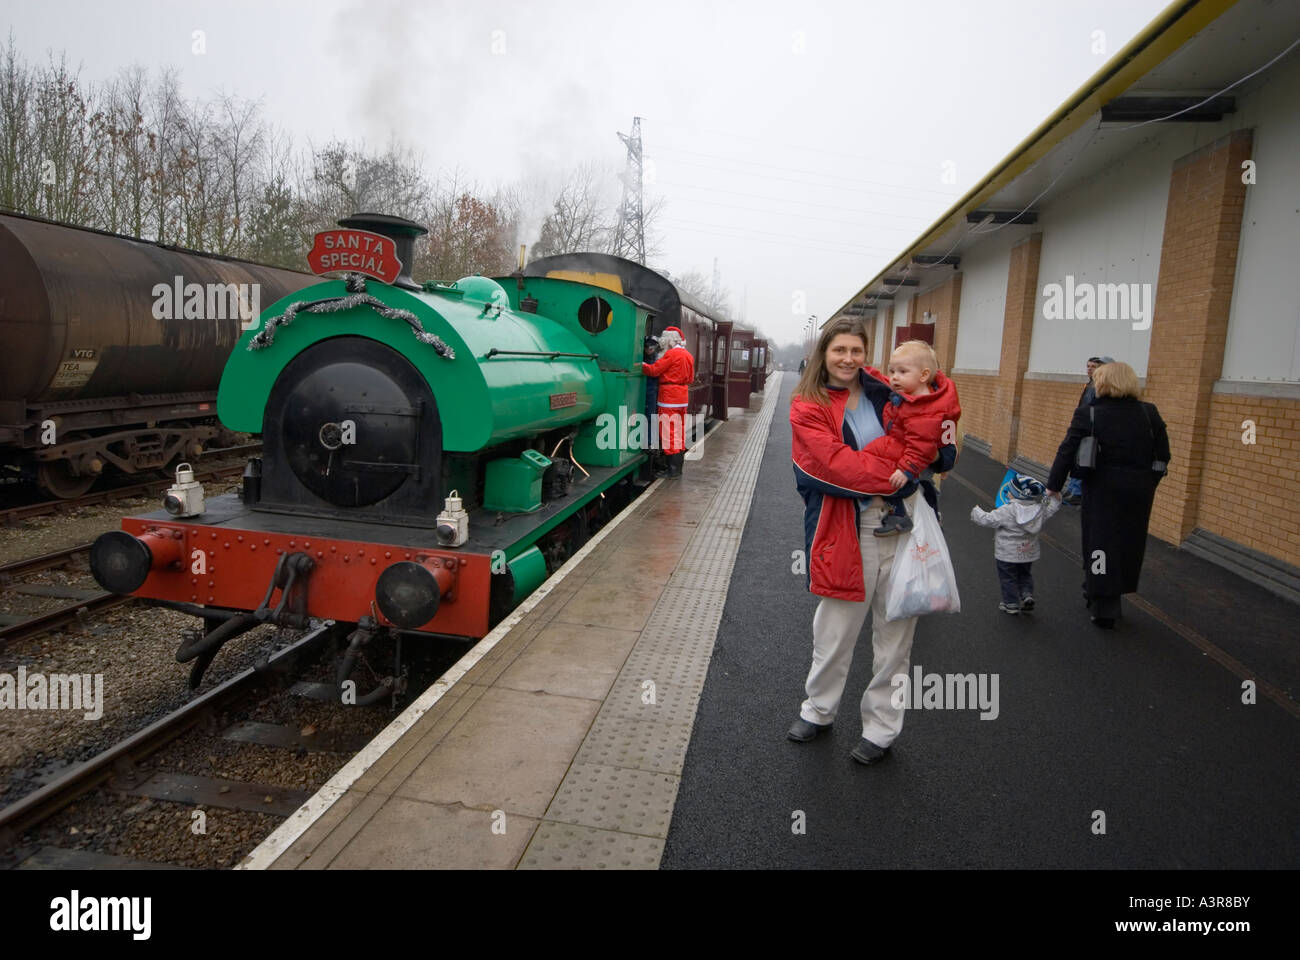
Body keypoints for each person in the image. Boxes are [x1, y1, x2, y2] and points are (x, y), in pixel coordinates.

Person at [788, 319, 957, 765]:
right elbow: (831, 466)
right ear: (824, 352)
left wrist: (942, 446)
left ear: (867, 355)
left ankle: (882, 729)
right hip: (849, 527)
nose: (848, 359)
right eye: (839, 349)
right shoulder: (807, 405)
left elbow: (940, 420)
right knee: (836, 628)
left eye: (856, 351)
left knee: (896, 633)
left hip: (905, 526)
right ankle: (819, 709)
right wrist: (902, 480)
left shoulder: (889, 386)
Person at [1045, 361, 1170, 629]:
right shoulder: (1149, 413)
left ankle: (1103, 597)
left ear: (1102, 383)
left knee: (1100, 543)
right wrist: (1150, 482)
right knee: (1128, 542)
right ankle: (1107, 585)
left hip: (1102, 488)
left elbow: (1067, 449)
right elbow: (1162, 456)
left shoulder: (1089, 413)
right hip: (1139, 490)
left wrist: (1054, 484)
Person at [859, 340, 961, 536]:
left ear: (923, 375)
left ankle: (900, 512)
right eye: (892, 371)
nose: (894, 378)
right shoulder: (907, 394)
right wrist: (864, 371)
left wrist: (910, 469)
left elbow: (936, 449)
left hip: (914, 467)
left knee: (876, 458)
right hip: (910, 460)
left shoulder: (926, 408)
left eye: (902, 372)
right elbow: (880, 380)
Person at [970, 474, 1062, 614]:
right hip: (1027, 553)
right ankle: (1027, 595)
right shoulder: (1038, 510)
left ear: (1016, 495)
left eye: (1010, 492)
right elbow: (1051, 508)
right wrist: (1056, 496)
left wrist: (977, 511)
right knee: (1024, 574)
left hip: (1007, 554)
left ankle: (1011, 603)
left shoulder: (1007, 510)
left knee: (1008, 578)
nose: (1008, 494)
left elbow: (987, 519)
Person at [641, 326, 695, 478]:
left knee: (669, 433)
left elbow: (654, 371)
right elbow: (690, 379)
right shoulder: (688, 355)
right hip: (682, 398)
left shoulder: (671, 355)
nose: (663, 345)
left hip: (669, 398)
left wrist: (642, 365)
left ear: (670, 341)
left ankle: (672, 470)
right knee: (678, 432)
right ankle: (678, 468)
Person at [1063, 355, 1114, 505]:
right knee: (1076, 457)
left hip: (1090, 429)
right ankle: (1072, 488)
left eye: (1094, 366)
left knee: (1083, 457)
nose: (1090, 369)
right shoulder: (1089, 385)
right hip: (1082, 425)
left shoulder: (1100, 387)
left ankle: (1076, 492)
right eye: (1089, 366)